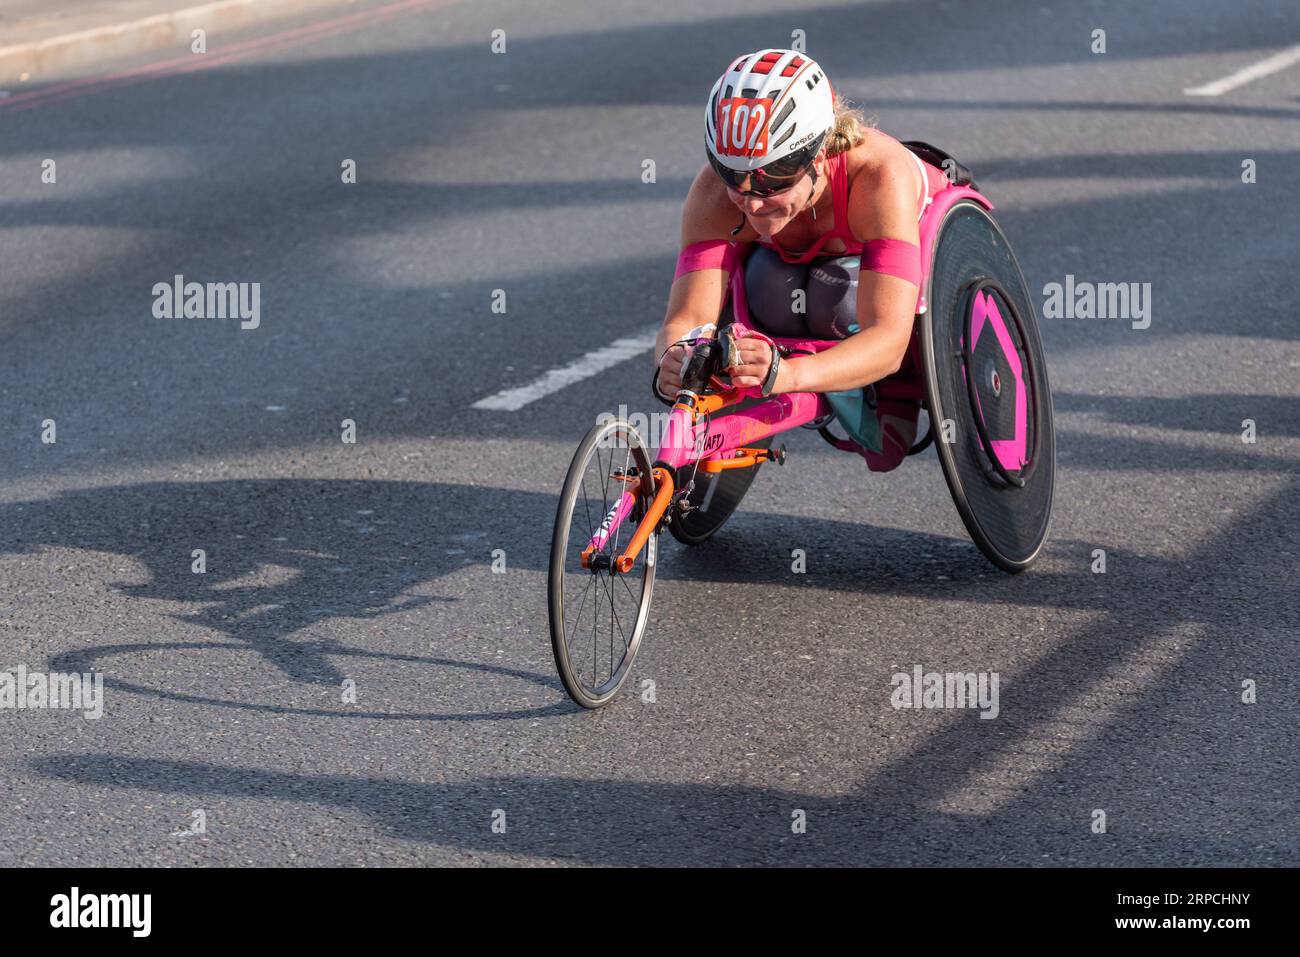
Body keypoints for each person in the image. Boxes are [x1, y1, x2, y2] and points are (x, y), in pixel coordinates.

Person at [654, 48, 950, 416]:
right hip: (793, 273)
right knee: (769, 288)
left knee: (835, 299)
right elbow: (687, 318)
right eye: (733, 179)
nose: (752, 204)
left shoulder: (878, 177)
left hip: (895, 264)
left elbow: (888, 343)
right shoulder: (713, 190)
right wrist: (675, 357)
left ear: (820, 157)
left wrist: (787, 374)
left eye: (772, 185)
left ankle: (886, 400)